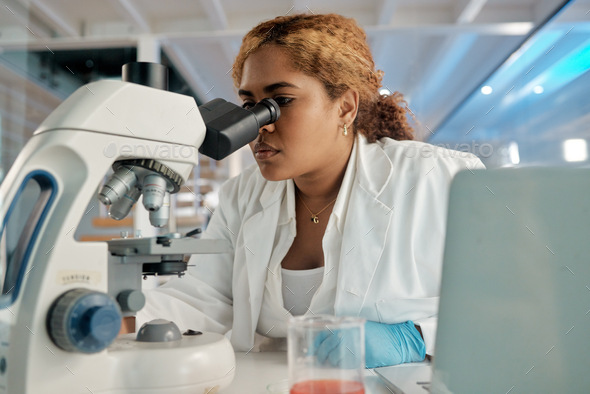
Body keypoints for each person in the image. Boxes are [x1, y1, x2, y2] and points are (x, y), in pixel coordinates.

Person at [138, 13, 484, 368]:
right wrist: (117, 316)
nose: (259, 125)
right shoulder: (241, 196)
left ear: (345, 107)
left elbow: (512, 305)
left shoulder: (436, 178)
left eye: (281, 101)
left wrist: (416, 337)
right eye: (249, 106)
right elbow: (200, 301)